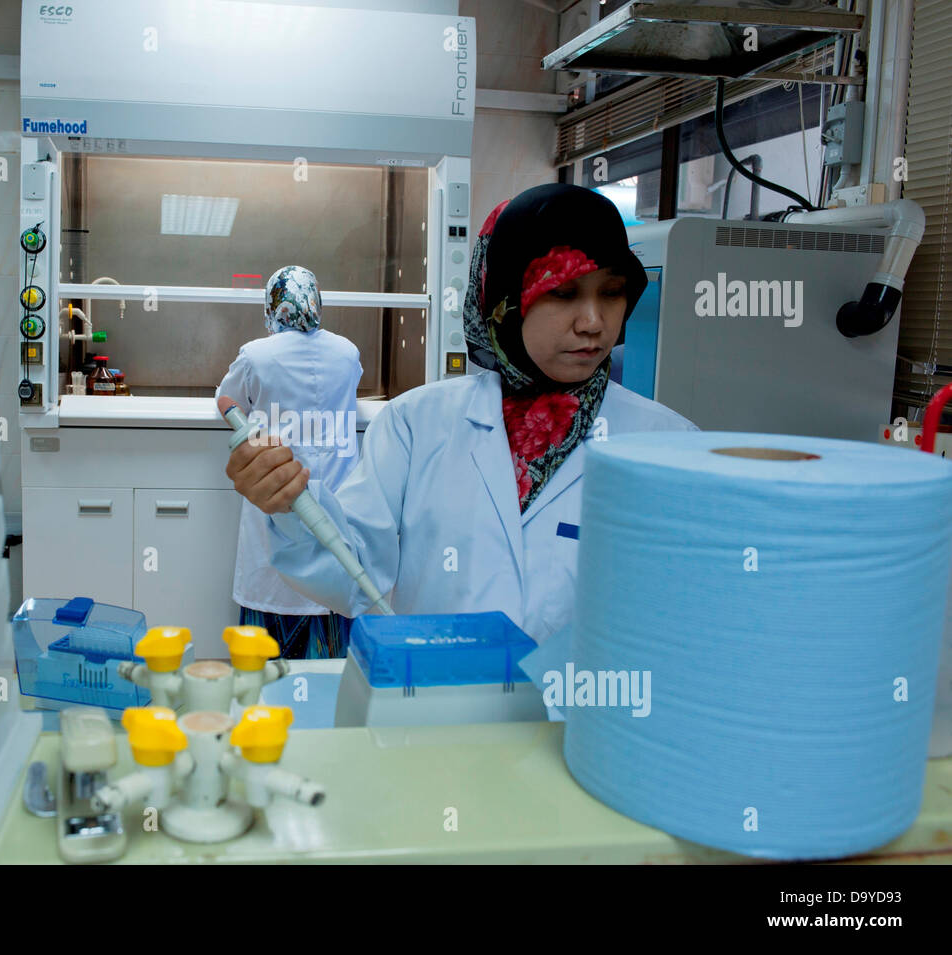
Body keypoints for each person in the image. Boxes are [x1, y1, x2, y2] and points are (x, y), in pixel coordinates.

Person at [225, 184, 698, 644]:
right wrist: (288, 505)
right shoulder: (417, 423)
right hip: (437, 711)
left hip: (582, 720)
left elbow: (686, 617)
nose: (593, 322)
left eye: (611, 291)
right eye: (564, 293)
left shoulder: (670, 445)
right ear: (505, 301)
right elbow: (353, 576)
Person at [216, 265, 363, 658]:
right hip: (336, 505)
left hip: (275, 498)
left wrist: (249, 425)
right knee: (332, 658)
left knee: (266, 664)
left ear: (272, 305)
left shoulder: (256, 355)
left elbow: (226, 400)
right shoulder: (347, 353)